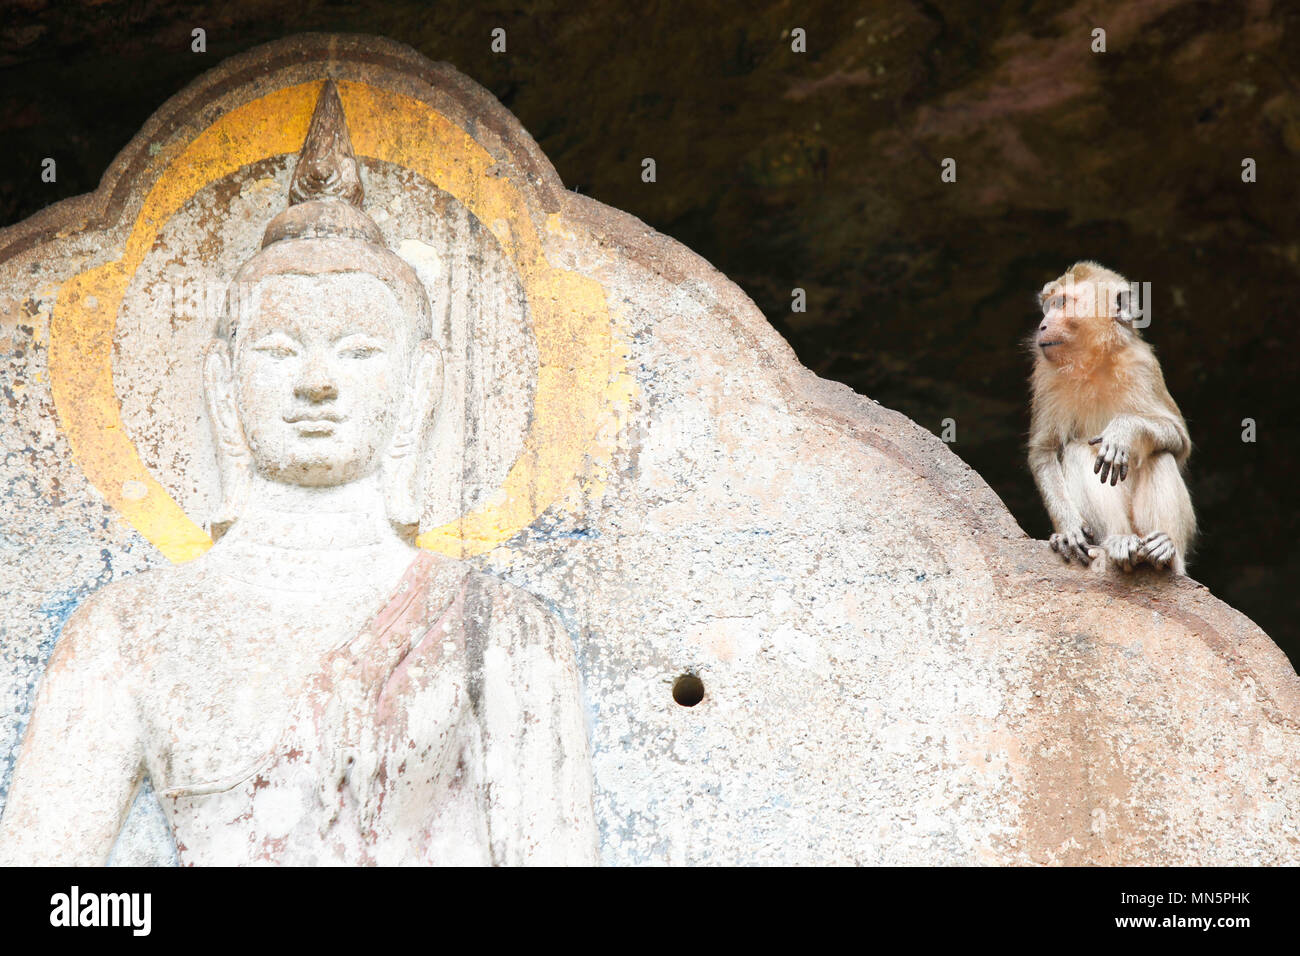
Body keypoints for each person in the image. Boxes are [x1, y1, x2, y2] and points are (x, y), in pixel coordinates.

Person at [0, 81, 598, 866]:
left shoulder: (503, 633)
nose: (318, 383)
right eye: (278, 351)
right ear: (222, 383)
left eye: (359, 352)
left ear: (419, 386)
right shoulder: (125, 633)